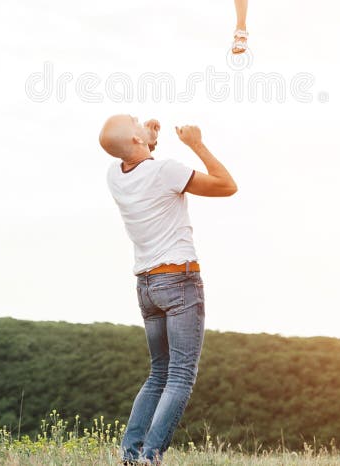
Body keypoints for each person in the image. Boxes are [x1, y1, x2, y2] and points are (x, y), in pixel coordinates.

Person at [99, 114, 237, 464]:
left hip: (147, 286)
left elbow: (139, 160)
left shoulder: (115, 174)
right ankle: (150, 457)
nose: (142, 120)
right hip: (178, 281)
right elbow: (226, 185)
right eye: (135, 121)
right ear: (135, 140)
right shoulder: (165, 171)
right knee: (180, 376)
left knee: (158, 373)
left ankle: (130, 455)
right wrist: (196, 144)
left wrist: (147, 138)